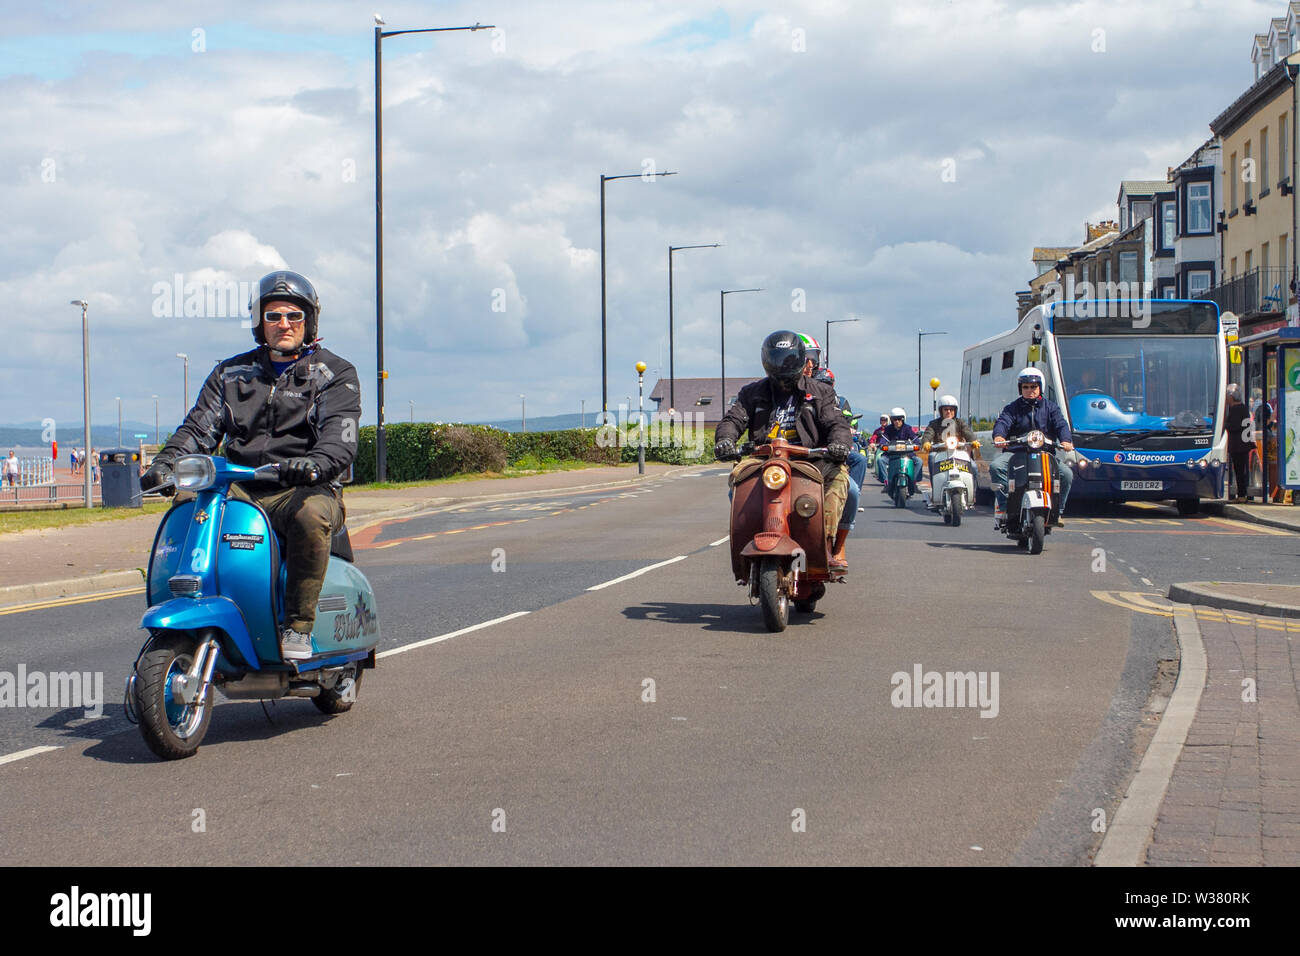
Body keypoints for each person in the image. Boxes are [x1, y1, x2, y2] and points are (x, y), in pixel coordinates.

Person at [140, 270, 361, 661]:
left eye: (293, 316)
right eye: (273, 316)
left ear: (310, 322)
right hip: (239, 488)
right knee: (189, 514)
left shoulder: (334, 374)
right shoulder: (230, 373)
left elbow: (339, 438)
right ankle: (202, 605)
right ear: (259, 322)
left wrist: (314, 464)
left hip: (302, 487)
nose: (283, 325)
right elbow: (198, 427)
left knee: (311, 516)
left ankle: (298, 626)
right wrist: (166, 464)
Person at [714, 330, 853, 571]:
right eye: (778, 361)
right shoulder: (751, 393)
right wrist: (725, 440)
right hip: (762, 459)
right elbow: (733, 420)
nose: (783, 368)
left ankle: (827, 545)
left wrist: (839, 444)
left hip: (810, 460)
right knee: (737, 484)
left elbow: (836, 423)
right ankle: (748, 537)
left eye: (788, 361)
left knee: (841, 478)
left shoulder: (821, 392)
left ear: (800, 360)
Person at [989, 367, 1075, 525]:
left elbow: (1061, 425)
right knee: (996, 466)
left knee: (1066, 474)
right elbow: (1002, 422)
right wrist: (999, 436)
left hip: (1045, 453)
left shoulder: (1051, 408)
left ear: (1040, 387)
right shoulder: (1012, 408)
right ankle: (1005, 505)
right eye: (1025, 387)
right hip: (1016, 453)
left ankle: (1058, 511)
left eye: (1033, 387)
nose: (1030, 390)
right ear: (1020, 389)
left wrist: (1066, 440)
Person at [918, 395, 978, 508]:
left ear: (955, 410)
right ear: (941, 411)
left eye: (951, 409)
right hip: (939, 453)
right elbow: (928, 434)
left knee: (974, 467)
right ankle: (935, 491)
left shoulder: (960, 423)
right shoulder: (934, 424)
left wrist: (973, 440)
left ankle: (972, 493)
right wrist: (926, 442)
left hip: (958, 453)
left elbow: (968, 432)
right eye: (946, 409)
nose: (948, 412)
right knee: (931, 458)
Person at [877, 407, 921, 495]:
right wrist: (882, 444)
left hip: (907, 454)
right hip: (891, 454)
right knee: (880, 460)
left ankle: (914, 482)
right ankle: (887, 483)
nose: (897, 421)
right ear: (891, 420)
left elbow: (914, 438)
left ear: (903, 419)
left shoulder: (907, 428)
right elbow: (884, 438)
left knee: (919, 462)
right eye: (894, 419)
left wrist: (917, 443)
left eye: (899, 419)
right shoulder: (888, 429)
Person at [1224, 384, 1251, 502]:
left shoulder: (1235, 409)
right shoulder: (1244, 408)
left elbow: (1234, 426)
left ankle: (1241, 495)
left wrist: (1224, 424)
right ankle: (1243, 494)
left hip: (1237, 445)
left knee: (1239, 470)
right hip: (1244, 443)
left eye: (1227, 395)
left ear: (1231, 397)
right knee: (1242, 470)